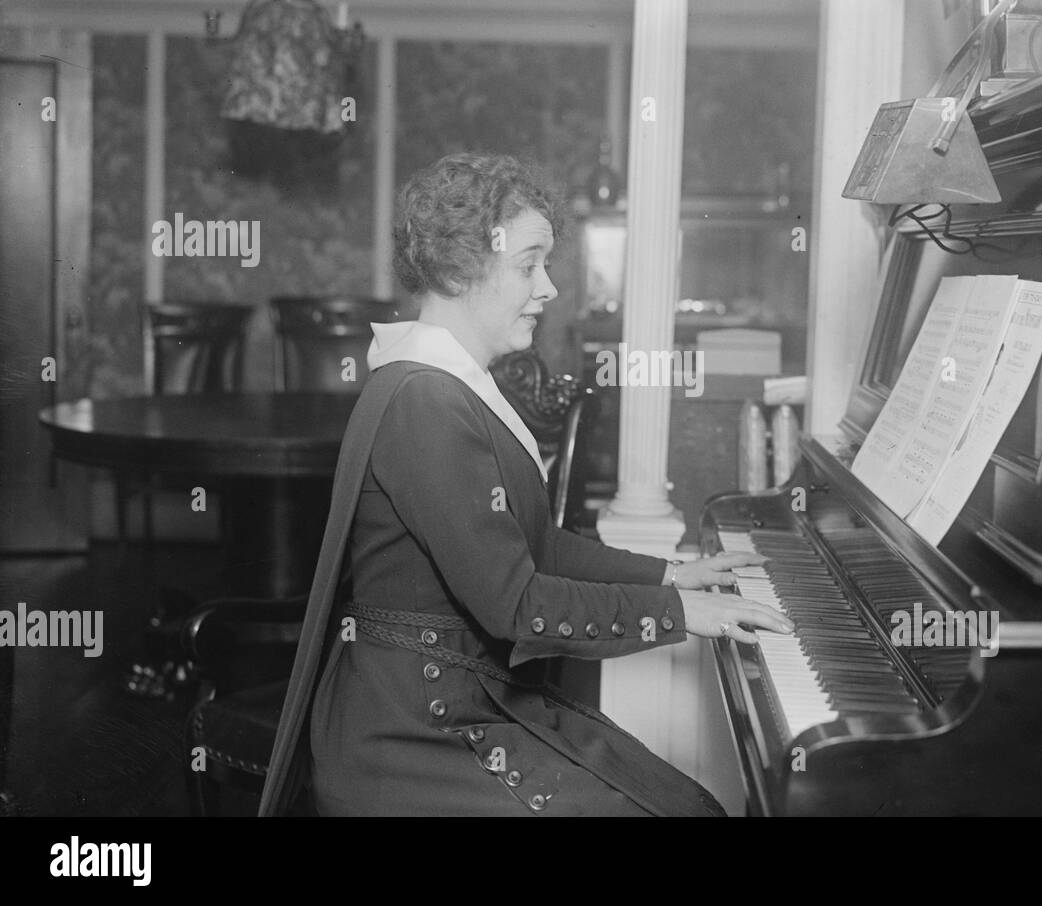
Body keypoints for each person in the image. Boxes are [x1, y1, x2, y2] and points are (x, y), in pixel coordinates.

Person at [260, 153, 792, 817]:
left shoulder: (456, 386)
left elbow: (537, 546)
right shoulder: (425, 401)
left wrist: (674, 575)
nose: (549, 289)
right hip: (409, 729)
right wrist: (684, 617)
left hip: (461, 696)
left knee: (688, 805)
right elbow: (515, 606)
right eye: (529, 264)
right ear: (460, 267)